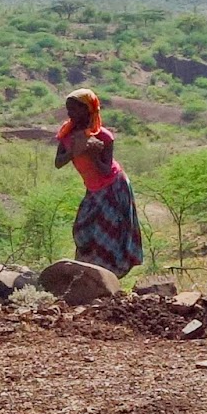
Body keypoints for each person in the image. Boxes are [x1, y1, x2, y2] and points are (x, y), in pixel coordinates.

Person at [54, 89, 143, 277]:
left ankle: (106, 276)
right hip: (93, 189)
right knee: (82, 230)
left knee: (108, 232)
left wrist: (93, 154)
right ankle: (88, 273)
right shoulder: (67, 133)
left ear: (88, 110)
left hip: (113, 186)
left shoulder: (104, 136)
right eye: (68, 109)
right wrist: (76, 151)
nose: (70, 113)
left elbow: (105, 169)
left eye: (74, 109)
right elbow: (58, 163)